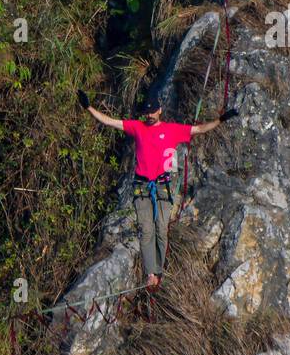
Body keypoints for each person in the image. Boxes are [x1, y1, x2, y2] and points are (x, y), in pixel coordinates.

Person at [78, 90, 238, 288]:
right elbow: (110, 121)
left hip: (163, 186)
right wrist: (89, 107)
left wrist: (222, 119)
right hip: (141, 186)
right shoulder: (137, 127)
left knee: (161, 229)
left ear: (160, 110)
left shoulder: (172, 129)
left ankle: (159, 271)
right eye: (147, 113)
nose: (150, 116)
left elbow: (200, 129)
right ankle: (150, 273)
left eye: (153, 112)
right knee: (146, 230)